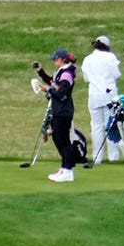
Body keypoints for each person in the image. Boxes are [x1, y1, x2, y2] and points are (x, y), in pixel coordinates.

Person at [35, 49, 86, 182]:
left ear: (62, 59)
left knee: (63, 140)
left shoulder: (67, 73)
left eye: (55, 59)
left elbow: (61, 92)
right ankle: (65, 168)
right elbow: (53, 82)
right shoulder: (62, 71)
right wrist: (40, 72)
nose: (54, 61)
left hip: (63, 111)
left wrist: (48, 90)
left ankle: (68, 170)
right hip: (59, 110)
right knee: (58, 139)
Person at [81, 35, 124, 166]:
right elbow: (116, 74)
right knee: (110, 125)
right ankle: (113, 157)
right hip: (109, 95)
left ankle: (97, 157)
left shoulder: (87, 59)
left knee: (96, 127)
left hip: (94, 95)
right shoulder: (110, 57)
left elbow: (86, 78)